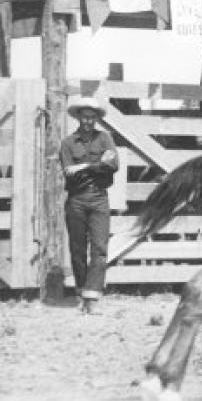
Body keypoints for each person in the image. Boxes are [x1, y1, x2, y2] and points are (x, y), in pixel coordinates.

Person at [60, 97, 119, 314]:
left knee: (100, 249)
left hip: (99, 199)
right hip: (76, 199)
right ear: (78, 117)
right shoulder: (68, 143)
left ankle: (92, 298)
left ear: (96, 119)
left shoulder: (105, 139)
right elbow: (69, 171)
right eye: (85, 117)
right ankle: (81, 293)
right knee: (77, 250)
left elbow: (113, 165)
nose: (88, 121)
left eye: (92, 118)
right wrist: (99, 165)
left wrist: (84, 166)